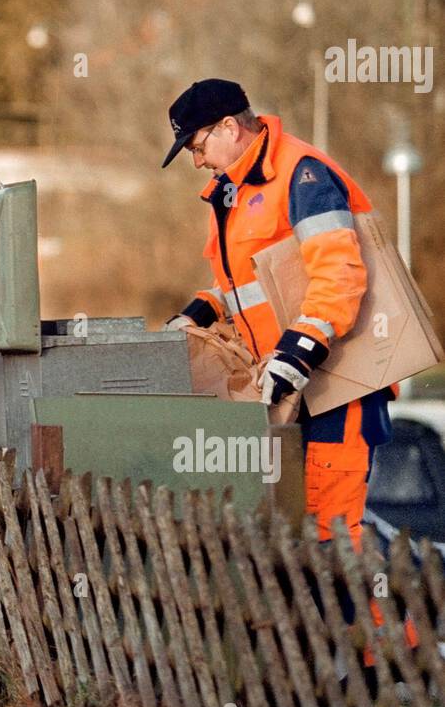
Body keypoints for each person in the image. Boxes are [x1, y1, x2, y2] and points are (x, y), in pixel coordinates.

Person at [160, 80, 421, 670]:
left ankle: (381, 664)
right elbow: (243, 285)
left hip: (337, 383)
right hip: (290, 386)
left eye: (198, 144)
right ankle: (366, 655)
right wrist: (201, 310)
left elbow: (339, 274)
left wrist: (301, 349)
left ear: (231, 127)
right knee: (308, 530)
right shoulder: (231, 193)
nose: (196, 159)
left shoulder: (303, 176)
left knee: (333, 530)